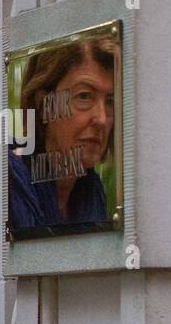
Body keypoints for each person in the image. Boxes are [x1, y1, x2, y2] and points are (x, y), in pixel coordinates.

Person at [8, 36, 118, 231]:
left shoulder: (91, 189)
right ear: (44, 106)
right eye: (84, 96)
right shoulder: (7, 178)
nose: (101, 119)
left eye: (109, 101)